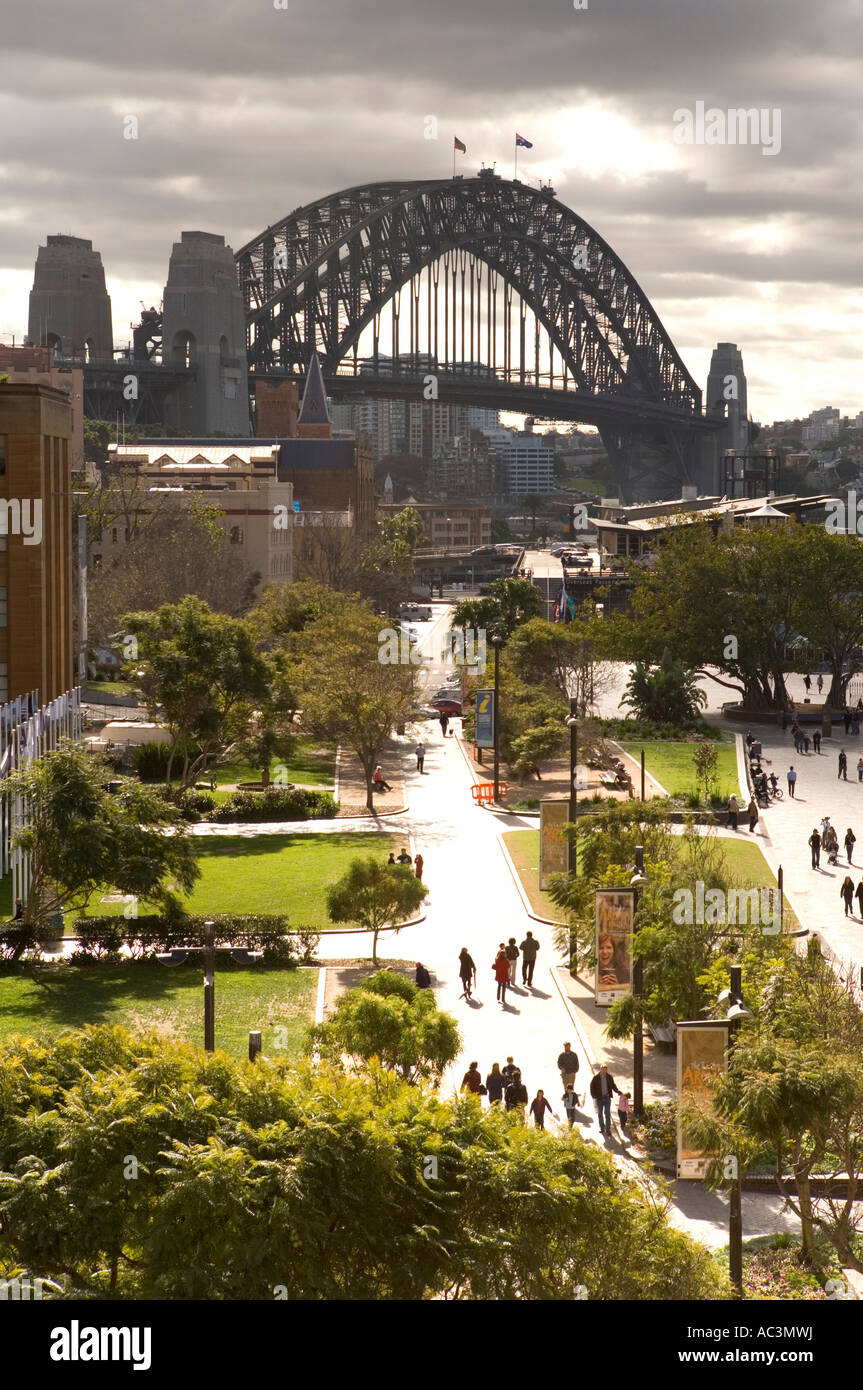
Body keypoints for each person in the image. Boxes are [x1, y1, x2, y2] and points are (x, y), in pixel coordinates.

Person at [589, 1064, 622, 1137]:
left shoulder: (609, 1077)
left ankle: (608, 1129)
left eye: (605, 1070)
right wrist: (594, 1096)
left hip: (607, 1097)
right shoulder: (596, 1078)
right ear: (600, 1069)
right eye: (603, 1069)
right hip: (599, 1098)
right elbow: (592, 1087)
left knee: (607, 1113)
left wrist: (617, 1091)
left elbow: (613, 1085)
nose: (604, 1071)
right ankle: (602, 1128)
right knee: (600, 1113)